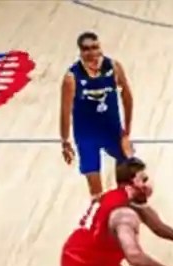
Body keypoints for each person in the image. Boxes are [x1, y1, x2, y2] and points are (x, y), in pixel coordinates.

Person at [61, 32, 134, 198]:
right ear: (80, 51)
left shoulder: (113, 67)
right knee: (96, 193)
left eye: (95, 47)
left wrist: (127, 131)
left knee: (128, 181)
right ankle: (100, 219)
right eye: (86, 49)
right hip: (86, 136)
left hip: (112, 131)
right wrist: (65, 141)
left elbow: (127, 96)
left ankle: (123, 215)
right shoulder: (71, 77)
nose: (92, 52)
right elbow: (65, 112)